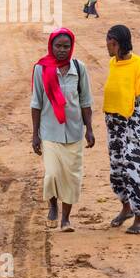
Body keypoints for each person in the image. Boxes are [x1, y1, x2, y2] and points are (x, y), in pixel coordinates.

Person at [30, 28, 94, 232]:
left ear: (72, 47)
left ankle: (66, 219)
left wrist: (89, 129)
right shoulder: (41, 69)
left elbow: (85, 100)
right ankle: (52, 206)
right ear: (51, 46)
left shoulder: (79, 68)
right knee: (52, 174)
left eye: (66, 46)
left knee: (72, 177)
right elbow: (36, 102)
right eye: (58, 46)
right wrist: (35, 134)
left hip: (74, 131)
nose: (62, 50)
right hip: (49, 131)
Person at [102, 25, 140, 235]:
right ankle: (126, 208)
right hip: (114, 127)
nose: (107, 47)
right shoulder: (113, 63)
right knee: (117, 171)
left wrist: (139, 115)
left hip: (136, 128)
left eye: (109, 43)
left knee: (137, 171)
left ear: (116, 43)